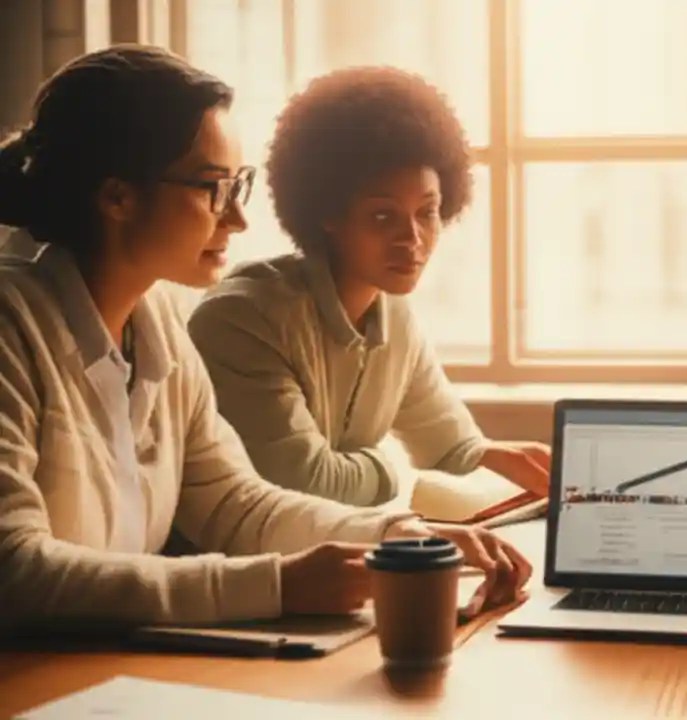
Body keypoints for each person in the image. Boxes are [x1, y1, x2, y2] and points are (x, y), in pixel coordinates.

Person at [0, 45, 529, 630]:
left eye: (237, 187)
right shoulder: (12, 327)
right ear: (118, 196)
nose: (237, 221)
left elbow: (236, 503)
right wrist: (276, 584)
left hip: (111, 673)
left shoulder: (158, 331)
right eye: (211, 189)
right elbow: (14, 568)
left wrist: (397, 533)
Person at [187, 66, 550, 509]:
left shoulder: (393, 314)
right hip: (231, 569)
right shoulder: (242, 319)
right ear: (328, 214)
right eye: (383, 217)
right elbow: (304, 482)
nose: (412, 239)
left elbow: (451, 446)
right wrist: (400, 467)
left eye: (427, 212)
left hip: (332, 562)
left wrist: (502, 457)